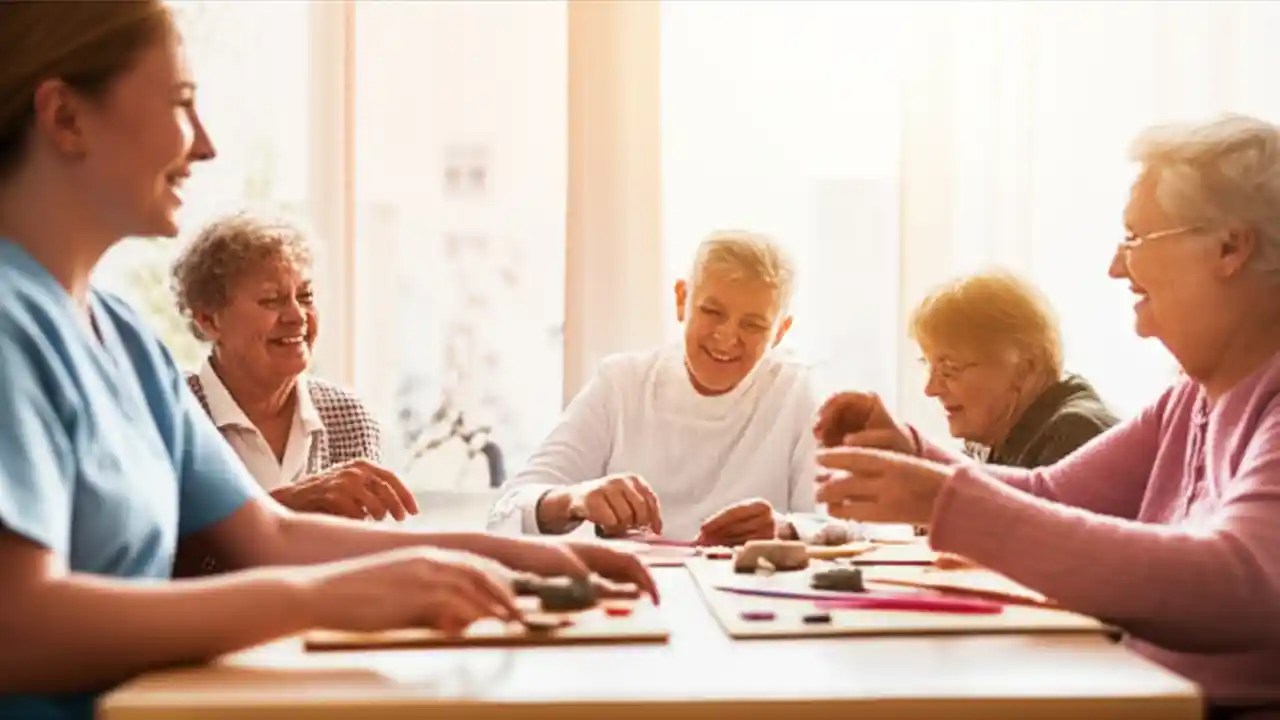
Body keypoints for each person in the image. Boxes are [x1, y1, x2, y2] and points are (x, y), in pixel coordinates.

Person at [0, 4, 653, 719]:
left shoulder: (124, 337)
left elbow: (269, 534)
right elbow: (16, 626)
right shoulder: (10, 323)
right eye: (182, 103)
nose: (206, 145)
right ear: (66, 118)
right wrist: (328, 598)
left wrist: (514, 556)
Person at [814, 114, 1280, 716]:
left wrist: (942, 500)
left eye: (1135, 237)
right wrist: (910, 454)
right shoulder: (1189, 397)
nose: (1116, 266)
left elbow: (1236, 584)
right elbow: (1053, 493)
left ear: (1230, 247)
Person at [488, 230, 831, 545]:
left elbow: (840, 526)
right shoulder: (621, 384)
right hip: (631, 585)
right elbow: (506, 511)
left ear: (780, 332)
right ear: (682, 299)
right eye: (712, 311)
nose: (727, 337)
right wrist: (574, 499)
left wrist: (786, 529)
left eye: (753, 325)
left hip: (747, 588)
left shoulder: (798, 393)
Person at [172, 213, 410, 521]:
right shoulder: (170, 412)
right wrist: (291, 503)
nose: (297, 316)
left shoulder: (349, 417)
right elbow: (163, 546)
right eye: (271, 300)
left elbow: (360, 543)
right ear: (209, 320)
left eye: (305, 296)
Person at [909, 269, 1118, 468]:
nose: (931, 389)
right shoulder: (1002, 437)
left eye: (949, 369)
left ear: (1026, 367)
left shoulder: (1073, 435)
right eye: (927, 365)